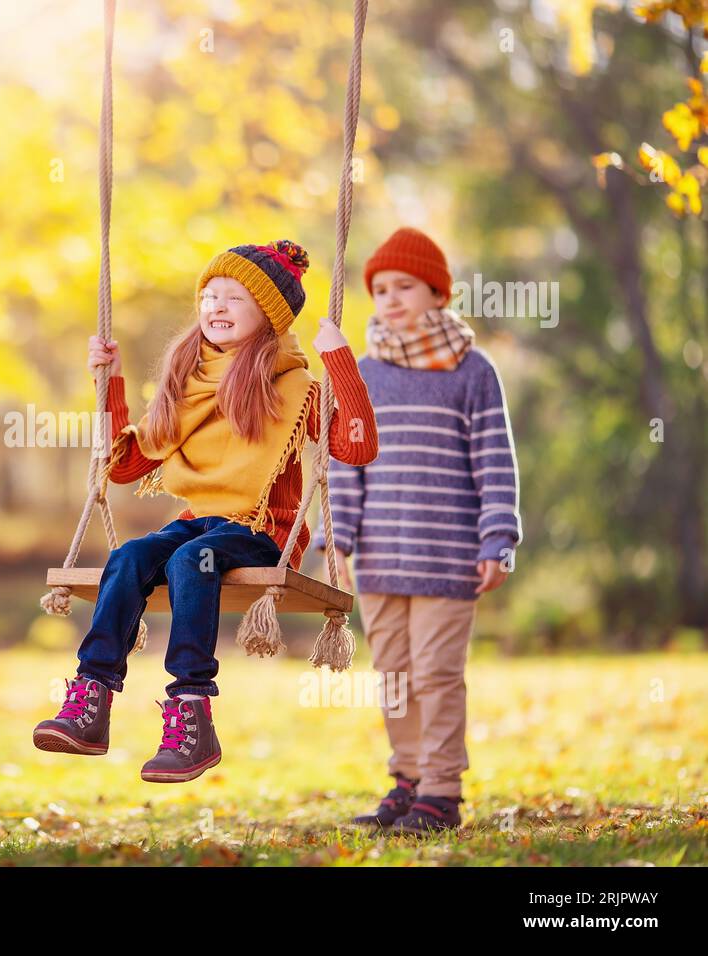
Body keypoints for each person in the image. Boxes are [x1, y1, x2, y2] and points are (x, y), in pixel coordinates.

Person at [33, 239, 378, 783]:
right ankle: (91, 699)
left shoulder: (295, 388)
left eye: (234, 297)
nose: (215, 306)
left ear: (267, 313)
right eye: (209, 295)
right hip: (198, 523)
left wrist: (340, 360)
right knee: (130, 557)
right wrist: (112, 381)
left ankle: (191, 709)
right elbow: (121, 466)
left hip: (263, 530)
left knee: (193, 559)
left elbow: (357, 447)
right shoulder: (186, 381)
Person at [311, 226, 523, 832]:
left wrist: (497, 539)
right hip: (380, 555)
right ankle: (407, 781)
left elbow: (494, 460)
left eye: (405, 286)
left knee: (436, 673)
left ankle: (442, 789)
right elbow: (348, 464)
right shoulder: (366, 377)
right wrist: (338, 541)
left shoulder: (472, 371)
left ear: (437, 292)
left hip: (447, 555)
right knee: (395, 675)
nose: (392, 298)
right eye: (380, 289)